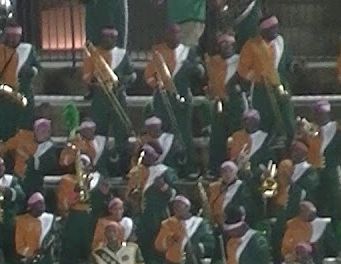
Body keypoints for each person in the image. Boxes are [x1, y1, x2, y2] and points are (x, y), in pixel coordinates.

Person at [144, 24, 199, 176]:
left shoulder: (188, 52)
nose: (174, 37)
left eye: (176, 34)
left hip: (182, 96)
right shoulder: (158, 52)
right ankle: (168, 166)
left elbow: (199, 73)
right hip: (162, 98)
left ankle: (189, 167)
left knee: (184, 133)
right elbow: (149, 75)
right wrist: (155, 82)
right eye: (170, 34)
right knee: (165, 132)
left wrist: (191, 67)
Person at [82, 27, 134, 160]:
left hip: (119, 97)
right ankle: (100, 160)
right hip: (101, 97)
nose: (108, 40)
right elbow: (86, 76)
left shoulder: (122, 54)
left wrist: (124, 81)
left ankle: (122, 162)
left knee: (121, 130)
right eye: (105, 37)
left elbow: (132, 74)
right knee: (99, 131)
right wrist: (95, 79)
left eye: (111, 37)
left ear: (116, 39)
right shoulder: (93, 55)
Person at [238, 16, 293, 139]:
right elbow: (242, 70)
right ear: (263, 31)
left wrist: (294, 66)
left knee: (287, 118)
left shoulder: (281, 42)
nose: (276, 30)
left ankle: (288, 143)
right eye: (272, 28)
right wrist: (258, 75)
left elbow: (288, 62)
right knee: (265, 121)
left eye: (276, 27)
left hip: (281, 85)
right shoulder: (252, 45)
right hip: (261, 88)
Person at [204, 34, 246, 178]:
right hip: (219, 102)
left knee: (237, 135)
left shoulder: (241, 61)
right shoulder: (213, 62)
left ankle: (238, 167)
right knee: (217, 137)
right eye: (223, 45)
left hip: (235, 102)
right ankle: (215, 169)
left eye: (229, 45)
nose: (226, 48)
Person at [0, 22, 40, 143]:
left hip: (24, 93)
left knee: (25, 126)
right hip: (6, 97)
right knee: (6, 129)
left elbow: (37, 67)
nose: (13, 39)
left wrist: (29, 71)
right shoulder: (0, 51)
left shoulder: (27, 49)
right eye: (11, 36)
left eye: (16, 36)